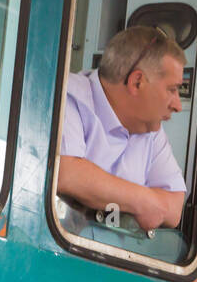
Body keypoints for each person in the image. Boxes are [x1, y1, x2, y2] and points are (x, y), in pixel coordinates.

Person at [57, 26, 188, 231]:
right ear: (137, 82)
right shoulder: (68, 95)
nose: (178, 106)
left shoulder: (151, 131)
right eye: (172, 90)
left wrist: (101, 192)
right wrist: (145, 202)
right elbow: (67, 174)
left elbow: (173, 209)